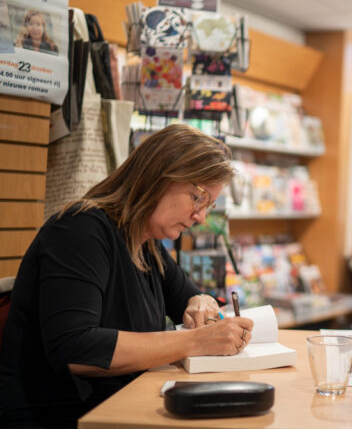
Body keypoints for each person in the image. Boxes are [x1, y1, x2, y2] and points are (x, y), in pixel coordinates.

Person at [0, 124, 254, 428]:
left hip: (116, 408)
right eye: (197, 197)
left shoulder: (148, 245)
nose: (200, 216)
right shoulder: (79, 230)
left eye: (209, 206)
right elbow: (76, 349)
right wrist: (195, 341)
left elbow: (189, 296)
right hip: (58, 417)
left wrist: (201, 301)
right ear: (159, 177)